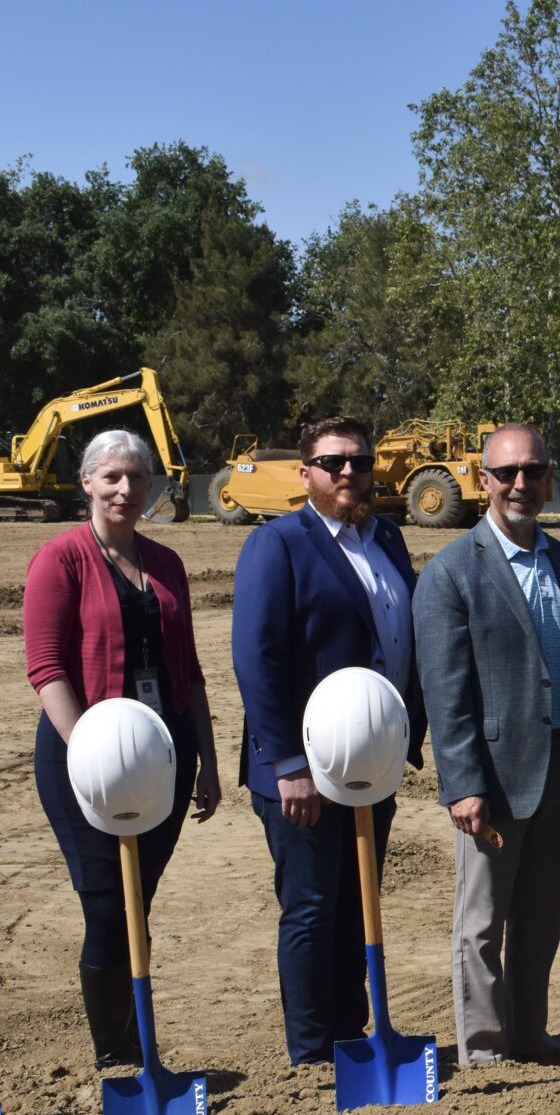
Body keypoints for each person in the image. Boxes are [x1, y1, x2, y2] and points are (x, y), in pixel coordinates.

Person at [25, 429, 221, 1068]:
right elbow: (46, 668)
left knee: (139, 905)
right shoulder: (61, 560)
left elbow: (188, 669)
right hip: (81, 759)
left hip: (162, 758)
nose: (125, 490)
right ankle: (118, 1058)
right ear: (87, 483)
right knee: (108, 904)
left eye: (137, 479)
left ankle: (141, 1046)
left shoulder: (166, 563)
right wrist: (87, 750)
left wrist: (209, 761)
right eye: (111, 477)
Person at [232, 415, 424, 1066]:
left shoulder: (388, 537)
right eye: (334, 462)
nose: (349, 472)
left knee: (356, 906)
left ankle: (354, 1041)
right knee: (313, 908)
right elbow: (258, 659)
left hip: (373, 764)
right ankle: (312, 1056)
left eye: (360, 461)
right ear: (306, 472)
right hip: (305, 771)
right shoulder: (278, 545)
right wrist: (287, 762)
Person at [414, 423, 560, 1065]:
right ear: (482, 480)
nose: (521, 484)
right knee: (481, 924)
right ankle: (483, 1048)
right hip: (491, 780)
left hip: (556, 777)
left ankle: (527, 1034)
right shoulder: (452, 572)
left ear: (547, 476)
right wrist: (462, 783)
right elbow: (444, 688)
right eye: (507, 473)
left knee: (539, 921)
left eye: (532, 471)